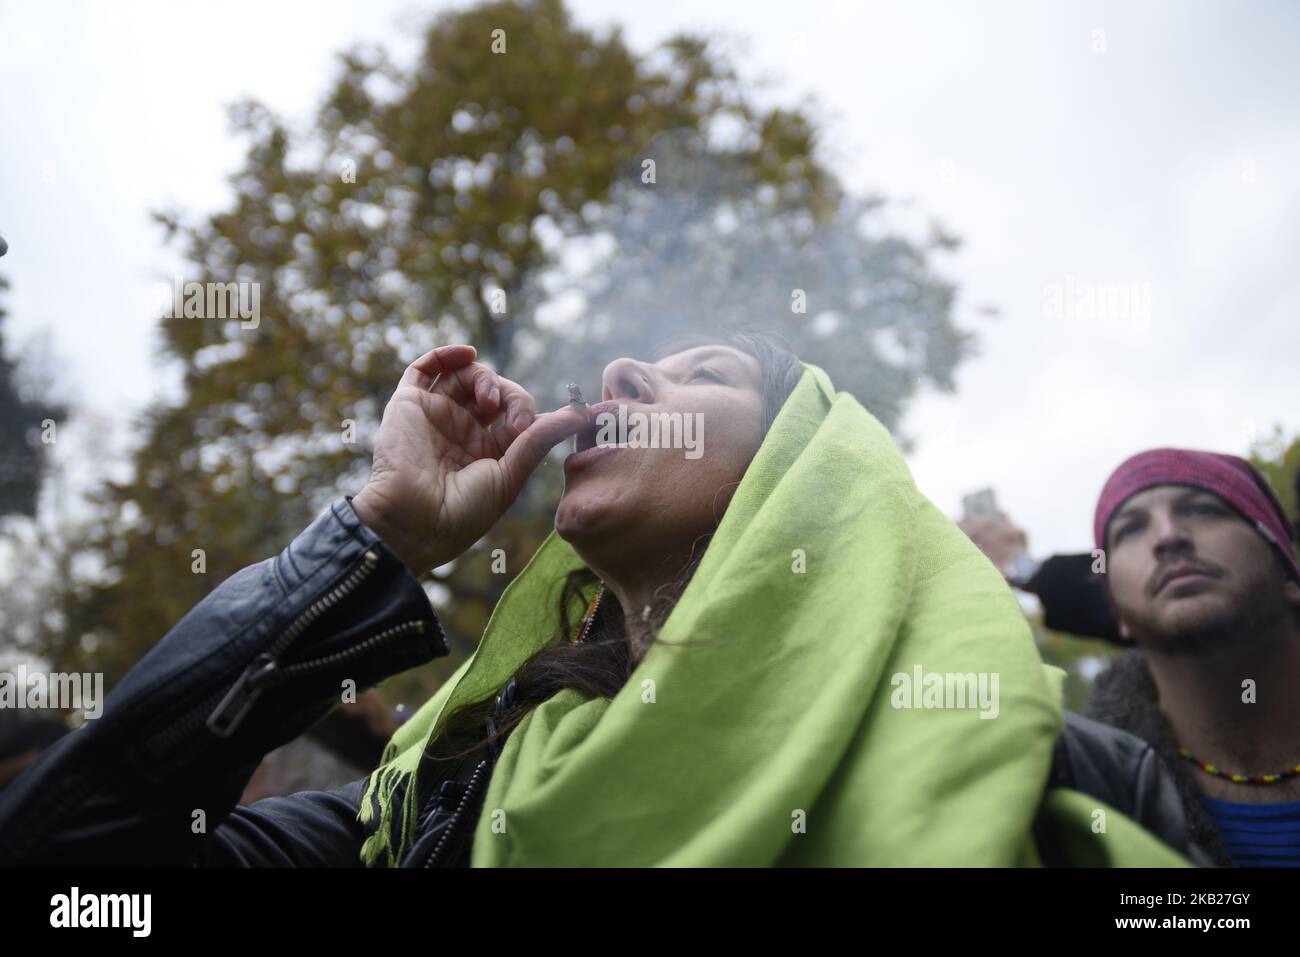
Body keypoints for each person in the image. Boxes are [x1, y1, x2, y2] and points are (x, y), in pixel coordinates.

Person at [0, 332, 1190, 867]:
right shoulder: (434, 811)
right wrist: (378, 538)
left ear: (811, 485)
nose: (623, 375)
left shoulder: (1066, 777)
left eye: (701, 373)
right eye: (634, 368)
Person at [1082, 449, 1300, 867]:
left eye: (1203, 509)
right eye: (1130, 530)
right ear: (1119, 615)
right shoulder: (1091, 801)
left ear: (1287, 571)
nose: (1168, 537)